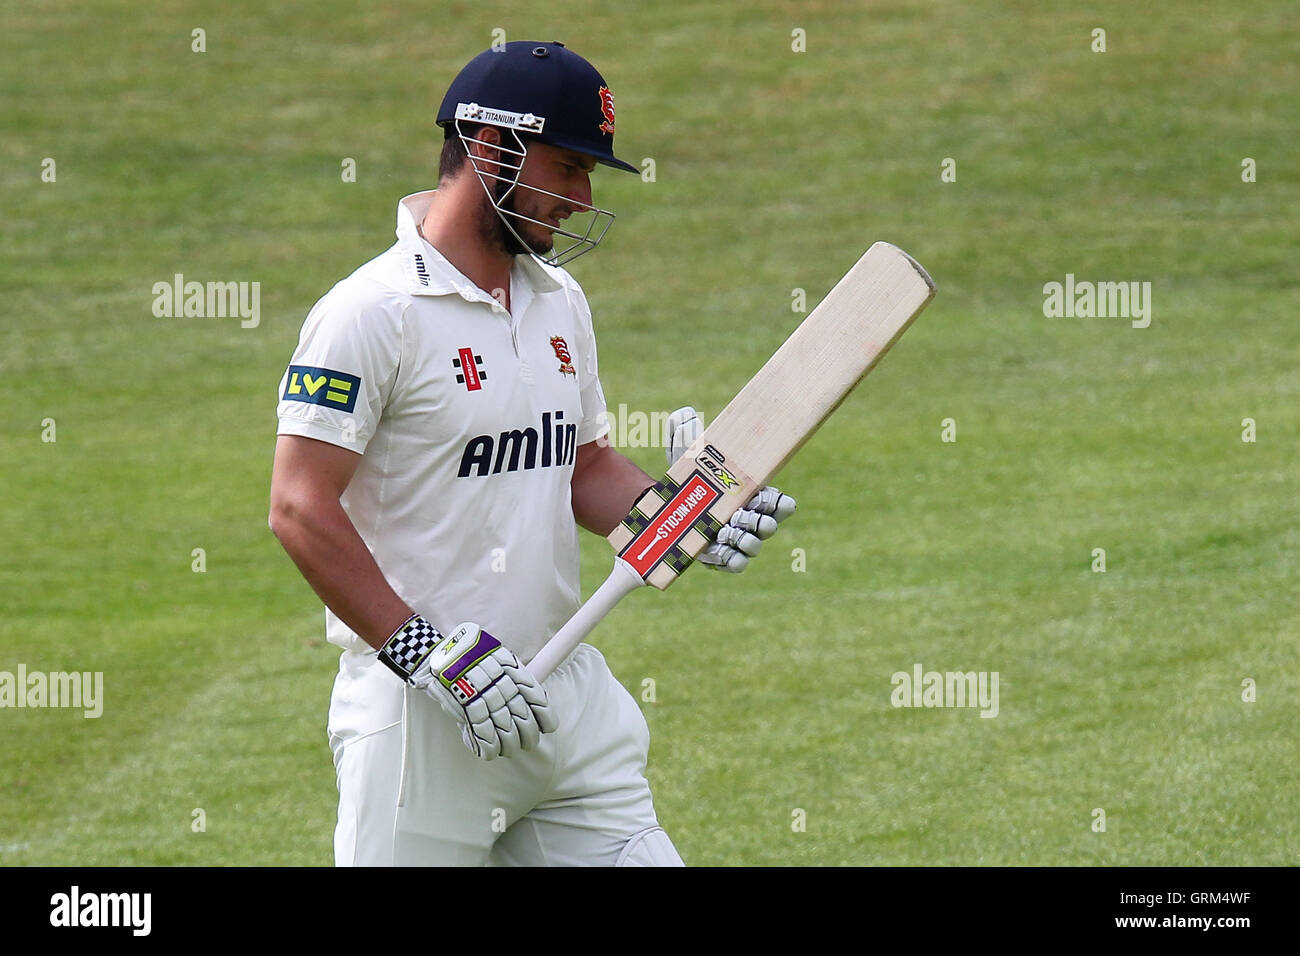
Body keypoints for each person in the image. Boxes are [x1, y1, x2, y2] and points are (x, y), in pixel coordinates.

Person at [268, 40, 794, 866]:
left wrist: (688, 512)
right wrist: (432, 659)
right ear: (489, 146)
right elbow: (299, 507)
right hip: (423, 725)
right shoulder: (367, 314)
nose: (583, 200)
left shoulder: (559, 300)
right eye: (570, 168)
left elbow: (582, 469)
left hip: (564, 702)